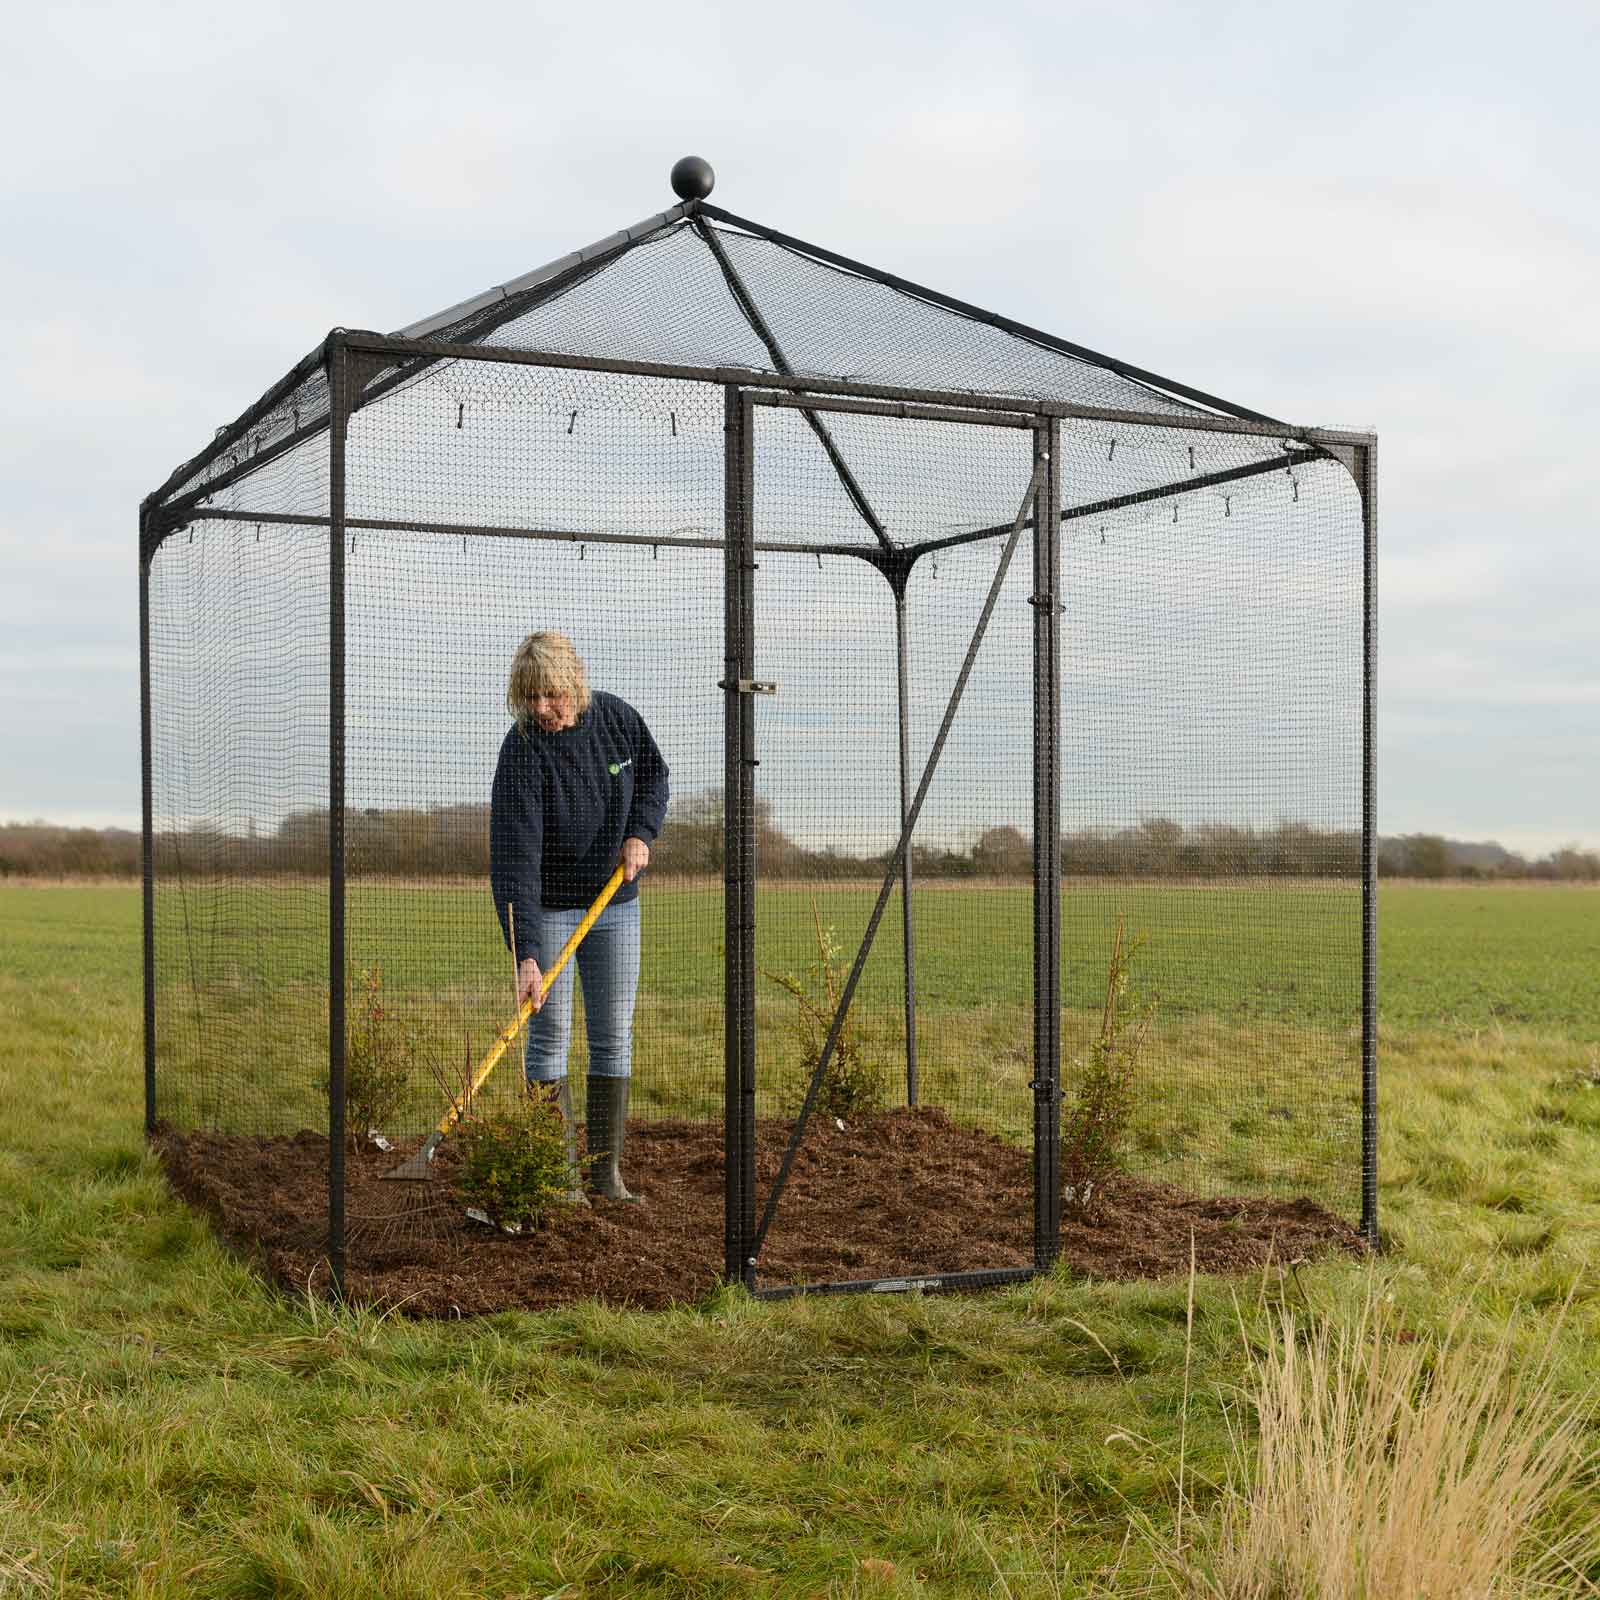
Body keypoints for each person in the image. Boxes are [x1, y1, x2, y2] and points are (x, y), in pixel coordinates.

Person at [489, 631, 669, 1202]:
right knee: (548, 1039)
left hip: (615, 907)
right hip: (548, 911)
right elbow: (515, 862)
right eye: (530, 697)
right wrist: (527, 954)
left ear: (574, 683)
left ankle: (606, 1178)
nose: (542, 708)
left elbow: (654, 778)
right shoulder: (522, 751)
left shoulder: (616, 720)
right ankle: (559, 1180)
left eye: (552, 694)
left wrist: (640, 834)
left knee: (613, 1037)